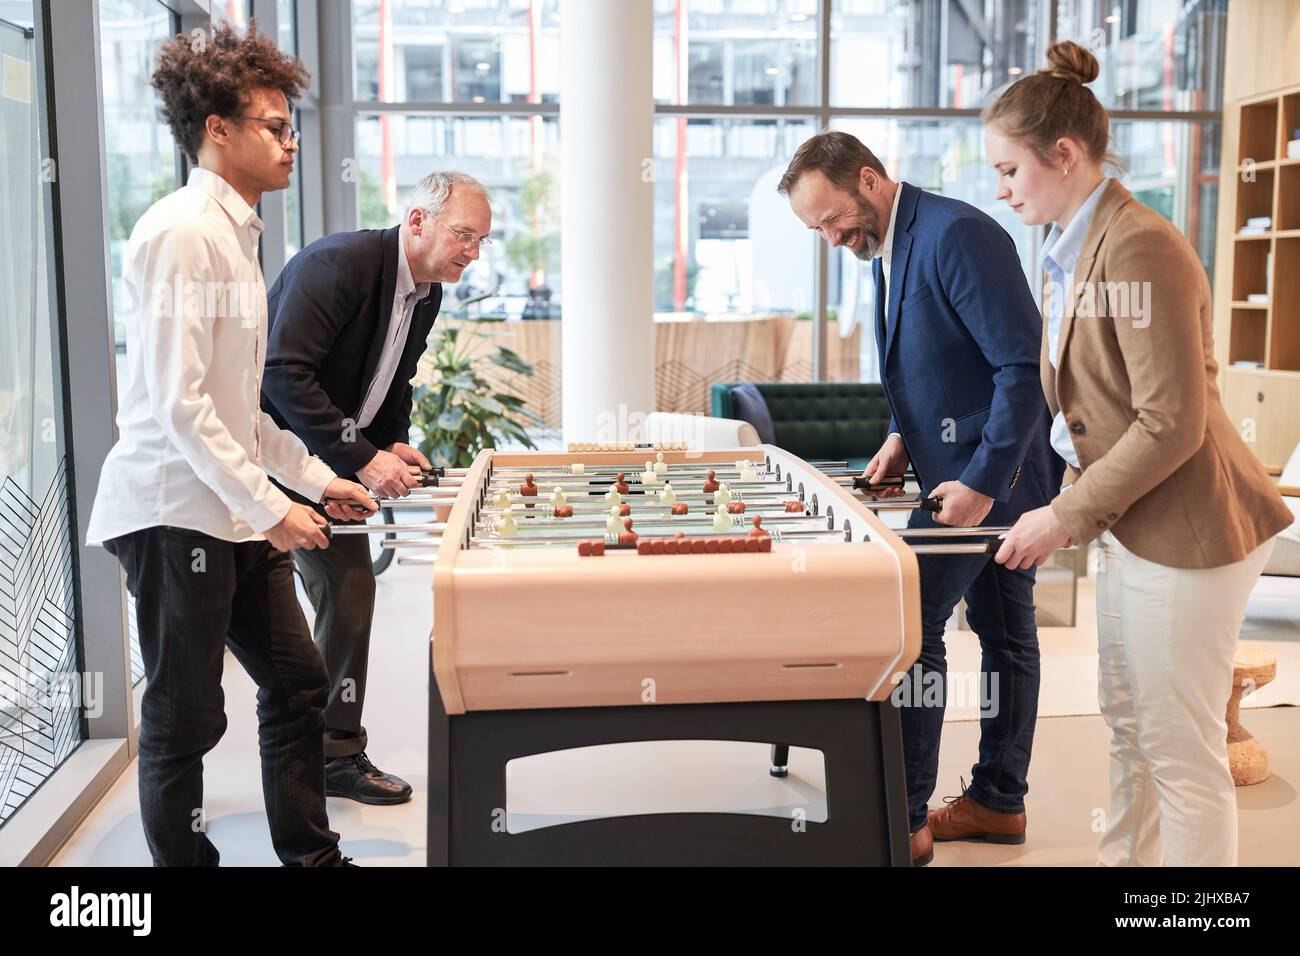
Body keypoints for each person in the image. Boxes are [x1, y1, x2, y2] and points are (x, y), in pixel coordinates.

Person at [987, 40, 1292, 866]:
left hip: (1192, 528)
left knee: (1180, 749)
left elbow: (1170, 423)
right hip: (1135, 521)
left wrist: (1063, 516)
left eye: (1010, 170)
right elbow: (1085, 408)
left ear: (1065, 153)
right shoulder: (1072, 244)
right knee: (1129, 726)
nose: (1002, 189)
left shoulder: (1137, 243)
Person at [85, 23, 375, 866]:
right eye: (275, 126)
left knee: (296, 683)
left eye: (292, 127)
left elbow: (239, 411)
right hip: (176, 510)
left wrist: (317, 482)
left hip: (232, 506)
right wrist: (272, 509)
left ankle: (313, 858)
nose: (291, 143)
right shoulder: (183, 233)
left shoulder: (236, 235)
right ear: (218, 129)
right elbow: (180, 408)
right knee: (185, 715)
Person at [779, 131, 1059, 865]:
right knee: (1004, 632)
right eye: (818, 231)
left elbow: (1021, 368)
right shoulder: (895, 240)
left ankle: (903, 819)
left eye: (833, 219)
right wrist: (901, 434)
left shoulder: (957, 233)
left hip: (987, 479)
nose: (833, 238)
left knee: (908, 624)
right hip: (961, 472)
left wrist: (980, 484)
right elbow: (935, 362)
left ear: (869, 180)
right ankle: (999, 802)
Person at [261, 171, 491, 803]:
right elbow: (282, 374)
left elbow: (395, 377)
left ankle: (333, 754)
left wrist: (388, 441)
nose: (472, 251)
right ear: (417, 221)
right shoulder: (338, 265)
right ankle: (310, 753)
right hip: (270, 460)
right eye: (463, 235)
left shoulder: (428, 291)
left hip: (329, 463)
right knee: (301, 606)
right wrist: (360, 457)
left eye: (481, 241)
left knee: (349, 592)